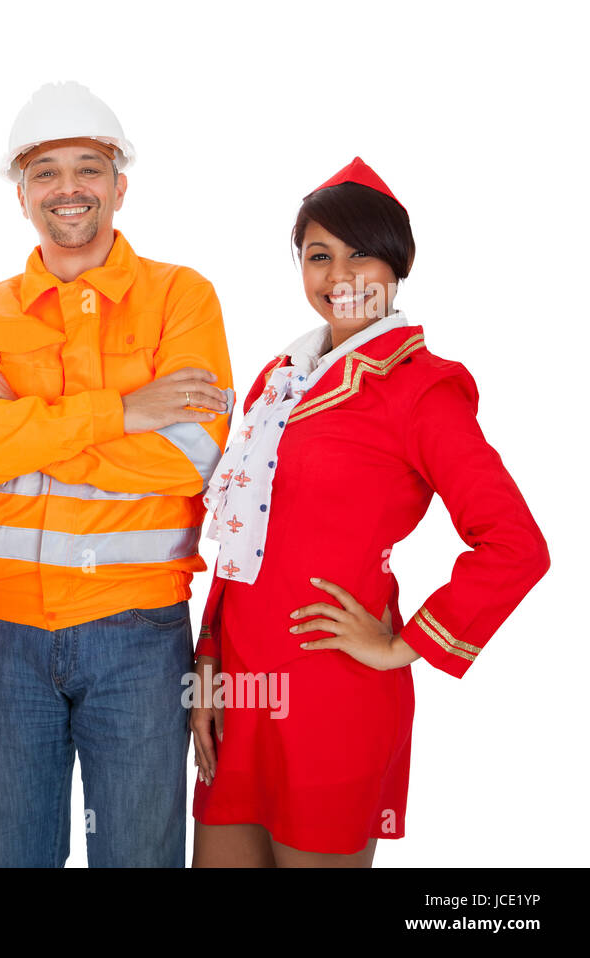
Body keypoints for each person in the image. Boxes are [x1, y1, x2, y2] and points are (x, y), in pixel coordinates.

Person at [188, 157, 550, 867]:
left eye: (361, 254)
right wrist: (207, 666)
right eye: (319, 255)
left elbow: (515, 544)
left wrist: (400, 644)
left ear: (397, 265)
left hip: (334, 696)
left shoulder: (423, 390)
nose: (340, 275)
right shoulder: (281, 377)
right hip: (241, 692)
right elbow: (241, 536)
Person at [0, 81, 234, 867]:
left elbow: (190, 457)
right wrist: (125, 410)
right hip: (5, 635)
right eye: (46, 171)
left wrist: (25, 420)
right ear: (21, 194)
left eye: (89, 168)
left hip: (138, 632)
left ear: (120, 185)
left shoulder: (181, 298)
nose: (69, 188)